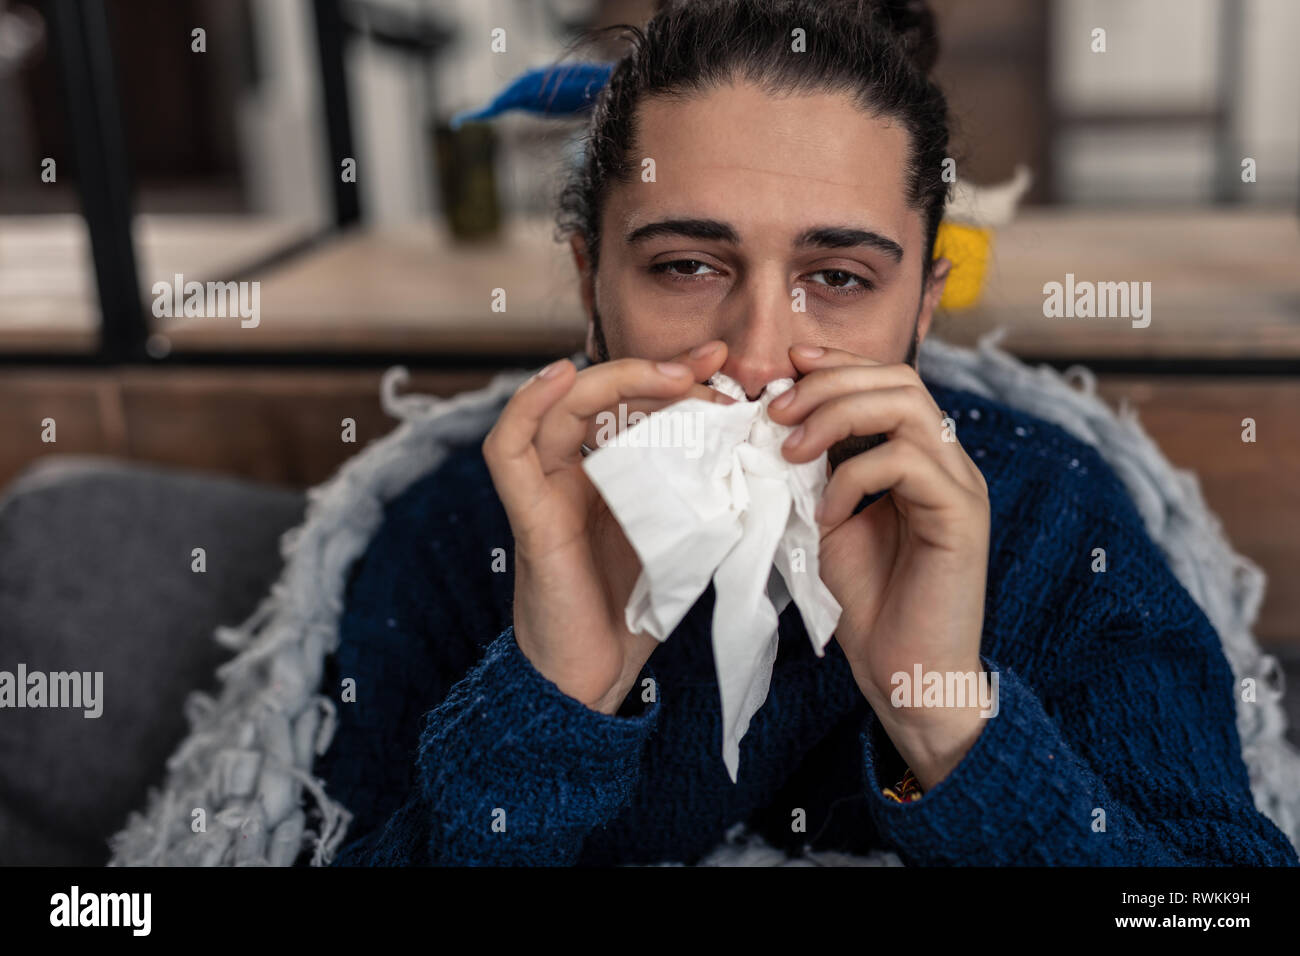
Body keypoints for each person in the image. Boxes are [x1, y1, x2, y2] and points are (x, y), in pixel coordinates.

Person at [310, 0, 1300, 866]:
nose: (757, 356)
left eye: (838, 278)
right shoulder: (458, 531)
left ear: (921, 306)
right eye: (687, 266)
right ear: (587, 279)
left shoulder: (1047, 519)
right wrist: (550, 698)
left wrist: (943, 715)